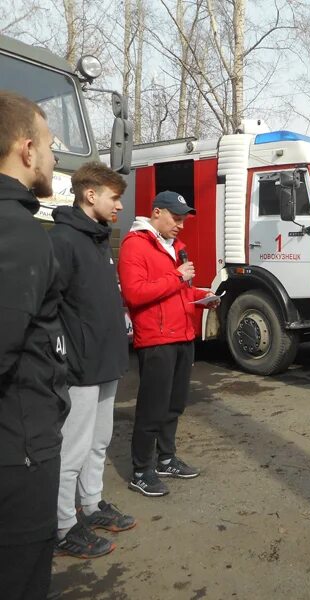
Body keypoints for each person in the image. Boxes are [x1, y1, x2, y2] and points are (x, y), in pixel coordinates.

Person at [0, 91, 67, 600]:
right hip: (19, 452)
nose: (53, 154)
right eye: (47, 143)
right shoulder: (21, 234)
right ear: (26, 150)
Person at [50, 163, 135, 559]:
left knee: (99, 442)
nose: (119, 204)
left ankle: (93, 504)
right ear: (90, 195)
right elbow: (48, 307)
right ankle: (63, 525)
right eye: (114, 197)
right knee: (74, 447)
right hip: (81, 366)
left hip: (107, 360)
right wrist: (67, 352)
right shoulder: (63, 241)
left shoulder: (99, 240)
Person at [119, 191, 220, 497]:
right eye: (175, 219)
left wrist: (202, 298)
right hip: (157, 339)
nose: (180, 225)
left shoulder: (177, 247)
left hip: (182, 336)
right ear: (157, 213)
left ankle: (166, 458)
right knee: (152, 407)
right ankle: (141, 470)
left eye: (183, 219)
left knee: (174, 405)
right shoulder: (135, 245)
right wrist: (177, 277)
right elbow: (134, 294)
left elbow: (180, 292)